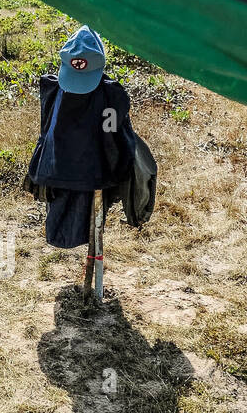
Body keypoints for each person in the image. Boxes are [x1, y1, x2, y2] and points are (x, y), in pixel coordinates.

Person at [23, 25, 155, 250]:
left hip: (54, 173)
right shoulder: (110, 97)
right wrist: (118, 173)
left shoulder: (52, 90)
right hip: (94, 177)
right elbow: (113, 139)